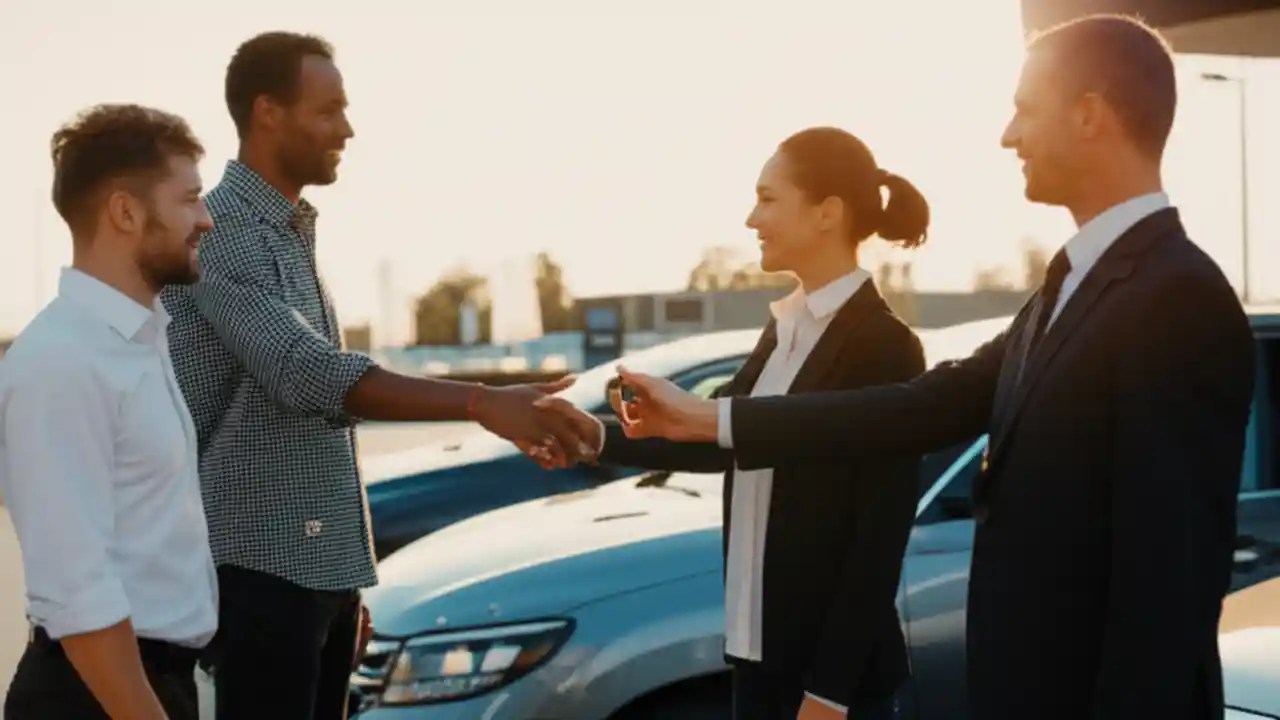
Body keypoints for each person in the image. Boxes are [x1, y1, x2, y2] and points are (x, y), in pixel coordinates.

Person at [557, 15, 1256, 720]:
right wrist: (703, 417)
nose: (1007, 136)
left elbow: (1165, 588)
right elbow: (914, 408)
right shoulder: (1066, 287)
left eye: (1023, 110)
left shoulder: (1177, 298)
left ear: (1088, 116)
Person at [161, 32, 586, 720]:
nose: (347, 130)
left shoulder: (288, 229)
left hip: (312, 580)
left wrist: (343, 587)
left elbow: (316, 419)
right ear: (267, 112)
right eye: (329, 111)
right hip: (260, 577)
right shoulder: (227, 229)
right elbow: (307, 375)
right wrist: (481, 402)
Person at [536, 127, 929, 720]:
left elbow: (877, 542)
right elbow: (722, 441)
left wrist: (829, 694)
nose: (752, 218)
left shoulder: (885, 346)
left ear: (828, 213)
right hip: (756, 658)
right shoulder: (785, 326)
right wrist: (592, 437)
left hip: (829, 685)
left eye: (768, 198)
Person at [0, 104, 217, 720]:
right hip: (98, 698)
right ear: (125, 212)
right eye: (190, 199)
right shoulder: (62, 359)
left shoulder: (140, 340)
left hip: (148, 684)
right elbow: (75, 587)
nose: (206, 219)